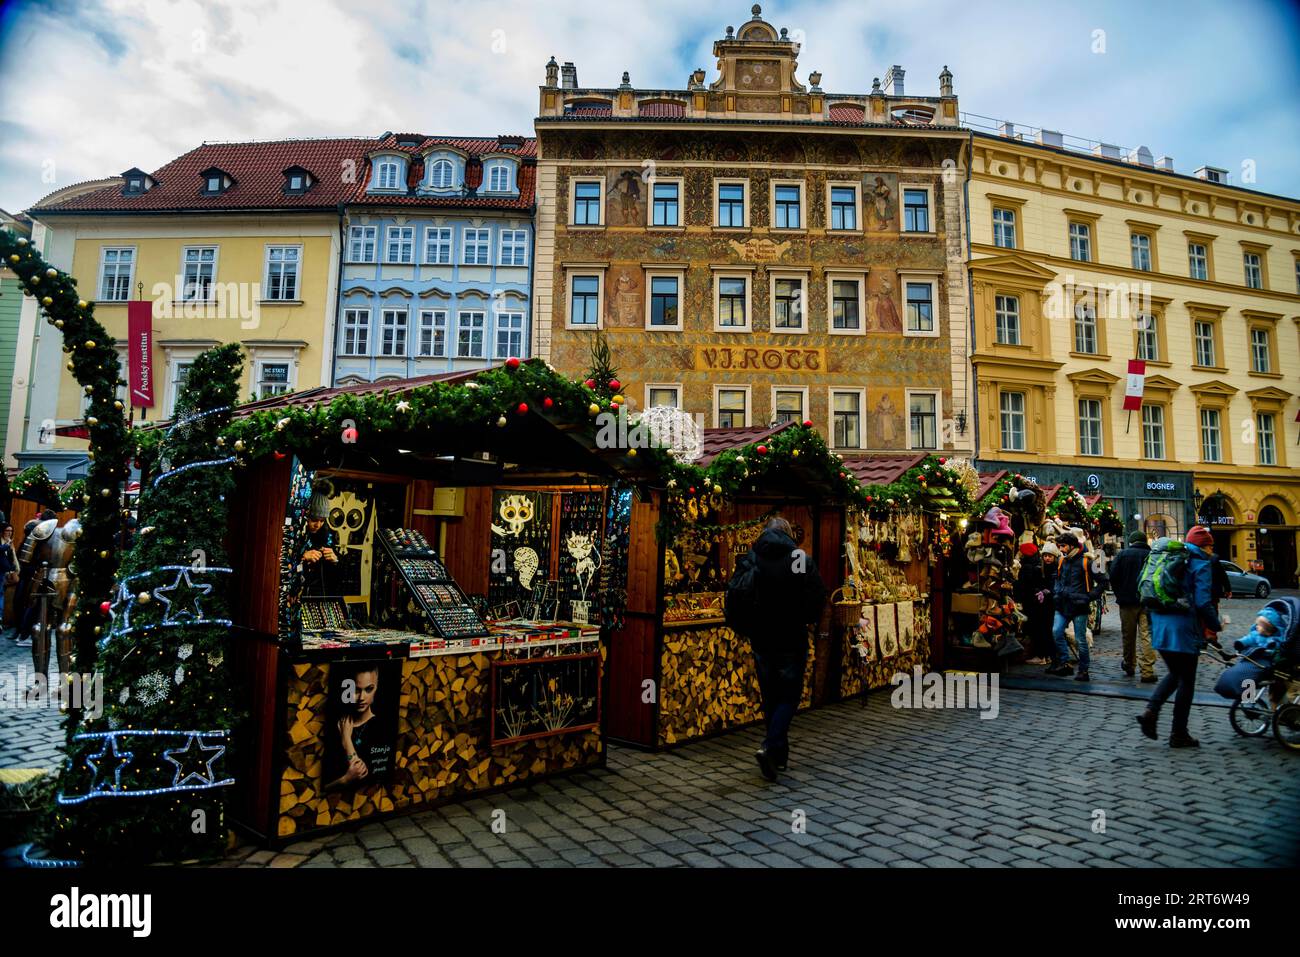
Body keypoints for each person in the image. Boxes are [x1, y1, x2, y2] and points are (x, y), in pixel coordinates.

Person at [726, 517, 826, 781]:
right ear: (789, 534)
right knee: (789, 696)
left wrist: (747, 624)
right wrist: (803, 617)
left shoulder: (754, 557)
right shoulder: (798, 558)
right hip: (791, 637)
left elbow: (735, 593)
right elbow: (817, 596)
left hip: (762, 637)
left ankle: (778, 756)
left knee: (771, 696)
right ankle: (771, 747)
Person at [1136, 526, 1222, 748]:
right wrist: (1216, 625)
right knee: (1187, 681)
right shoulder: (1200, 563)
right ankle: (1178, 732)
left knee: (1175, 674)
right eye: (1211, 545)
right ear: (1205, 546)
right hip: (1182, 630)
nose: (1212, 550)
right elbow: (1203, 602)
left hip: (1160, 625)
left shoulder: (1170, 557)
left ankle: (1150, 712)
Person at [324, 665, 390, 791]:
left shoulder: (380, 727)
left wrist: (346, 740)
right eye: (356, 690)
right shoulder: (338, 722)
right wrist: (344, 780)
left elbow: (361, 773)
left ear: (376, 688)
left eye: (369, 689)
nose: (361, 697)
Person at [1213, 606, 1291, 709]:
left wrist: (1270, 646)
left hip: (1263, 660)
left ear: (1268, 628)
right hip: (1252, 658)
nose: (1257, 627)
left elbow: (1274, 645)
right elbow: (1248, 639)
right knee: (1239, 672)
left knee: (1250, 675)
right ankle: (1245, 697)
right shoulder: (1255, 634)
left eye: (1260, 626)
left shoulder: (1274, 639)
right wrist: (1240, 643)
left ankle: (1247, 697)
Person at [1050, 533, 1100, 680]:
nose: (1061, 549)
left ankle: (1083, 670)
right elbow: (1057, 579)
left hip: (1079, 606)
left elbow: (1103, 581)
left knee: (1080, 639)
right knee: (1056, 632)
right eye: (1060, 546)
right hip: (1062, 604)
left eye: (1063, 546)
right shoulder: (1061, 561)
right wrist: (1056, 592)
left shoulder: (1087, 561)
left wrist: (1089, 596)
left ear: (1072, 546)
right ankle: (1065, 663)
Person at [1110, 531, 1157, 682]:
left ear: (1131, 541)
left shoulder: (1123, 555)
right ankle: (1147, 671)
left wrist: (1120, 593)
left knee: (1128, 635)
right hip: (1147, 601)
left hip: (1127, 602)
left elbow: (1113, 576)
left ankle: (1130, 664)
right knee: (1147, 636)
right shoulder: (1152, 555)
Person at [1015, 542, 1052, 664]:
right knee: (1043, 629)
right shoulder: (1037, 564)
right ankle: (1046, 656)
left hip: (1033, 603)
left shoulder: (1027, 566)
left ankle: (1040, 656)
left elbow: (1025, 586)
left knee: (1036, 629)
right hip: (1040, 602)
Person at [299, 490, 341, 596]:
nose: (318, 525)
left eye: (322, 520)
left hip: (319, 596)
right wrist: (302, 557)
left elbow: (337, 578)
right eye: (314, 519)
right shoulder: (296, 534)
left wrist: (335, 560)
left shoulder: (328, 536)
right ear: (306, 517)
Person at [0, 524, 17, 635]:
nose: (9, 533)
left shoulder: (10, 543)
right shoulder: (4, 542)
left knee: (2, 595)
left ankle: (2, 619)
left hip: (6, 573)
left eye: (11, 531)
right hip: (0, 572)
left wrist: (14, 568)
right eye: (7, 530)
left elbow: (11, 558)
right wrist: (6, 545)